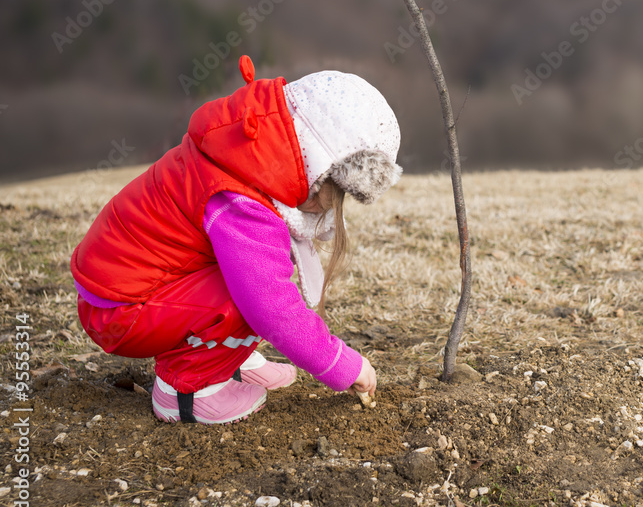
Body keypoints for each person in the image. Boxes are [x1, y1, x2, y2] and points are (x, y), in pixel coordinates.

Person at [70, 56, 401, 424]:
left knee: (256, 267)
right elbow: (272, 307)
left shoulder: (244, 155)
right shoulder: (241, 198)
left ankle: (228, 358)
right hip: (122, 310)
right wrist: (341, 364)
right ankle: (186, 390)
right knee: (253, 287)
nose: (322, 211)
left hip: (127, 287)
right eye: (329, 197)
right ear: (317, 166)